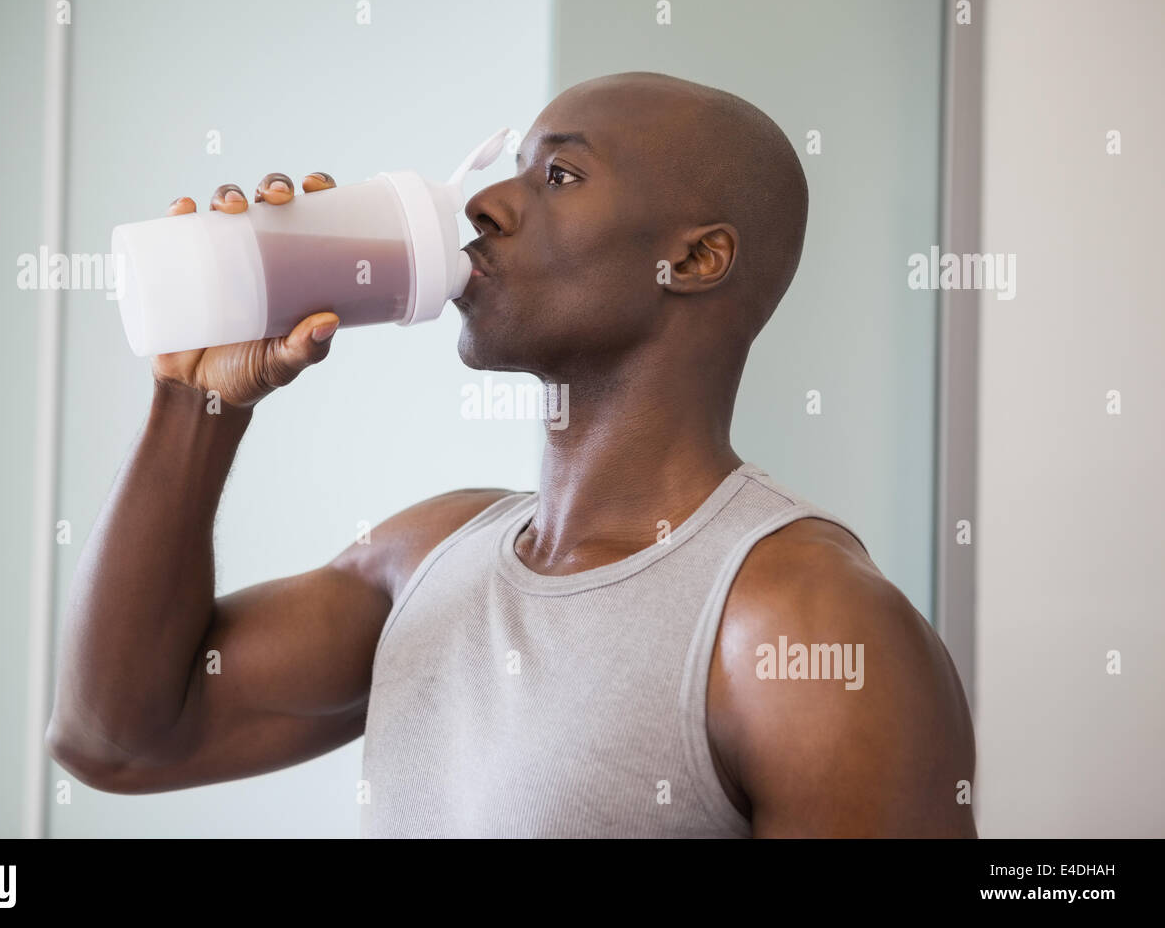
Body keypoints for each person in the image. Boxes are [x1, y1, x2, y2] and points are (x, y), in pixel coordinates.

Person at [47, 71, 976, 838]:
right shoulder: (426, 561)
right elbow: (118, 741)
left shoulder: (804, 627)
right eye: (511, 172)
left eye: (559, 177)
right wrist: (197, 401)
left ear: (695, 260)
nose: (485, 204)